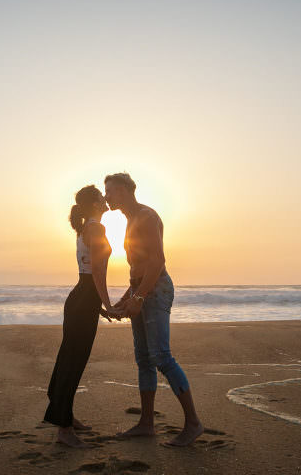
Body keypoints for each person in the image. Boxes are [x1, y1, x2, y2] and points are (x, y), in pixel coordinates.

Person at [106, 172, 204, 447]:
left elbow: (157, 261)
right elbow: (137, 270)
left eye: (110, 191)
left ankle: (194, 423)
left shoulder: (147, 217)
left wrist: (138, 298)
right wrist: (124, 300)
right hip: (143, 289)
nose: (106, 197)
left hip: (157, 289)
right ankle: (146, 424)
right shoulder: (130, 220)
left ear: (125, 190)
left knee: (161, 357)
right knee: (144, 360)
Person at [44, 184, 115, 448]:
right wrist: (108, 304)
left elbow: (90, 273)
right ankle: (63, 429)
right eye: (101, 196)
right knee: (73, 361)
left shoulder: (88, 226)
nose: (106, 198)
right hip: (85, 297)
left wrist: (99, 304)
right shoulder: (95, 228)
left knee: (70, 358)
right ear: (96, 203)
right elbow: (97, 272)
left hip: (83, 297)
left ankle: (67, 416)